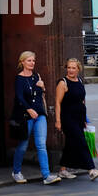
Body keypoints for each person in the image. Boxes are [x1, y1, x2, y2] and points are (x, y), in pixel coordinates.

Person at [12, 51, 60, 184]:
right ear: (22, 62)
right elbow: (19, 97)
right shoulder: (19, 79)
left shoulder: (36, 76)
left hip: (40, 115)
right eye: (29, 60)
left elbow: (40, 95)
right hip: (26, 116)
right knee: (23, 144)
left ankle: (46, 175)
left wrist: (43, 87)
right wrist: (29, 109)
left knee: (41, 145)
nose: (32, 63)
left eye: (33, 60)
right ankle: (16, 172)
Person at [54, 57, 98, 181]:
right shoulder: (63, 83)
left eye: (73, 68)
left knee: (71, 143)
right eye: (69, 67)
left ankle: (62, 170)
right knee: (81, 141)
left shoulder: (80, 80)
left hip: (79, 117)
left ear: (78, 69)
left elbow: (82, 100)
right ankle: (91, 169)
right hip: (67, 118)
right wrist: (58, 120)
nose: (70, 70)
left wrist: (84, 118)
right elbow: (57, 103)